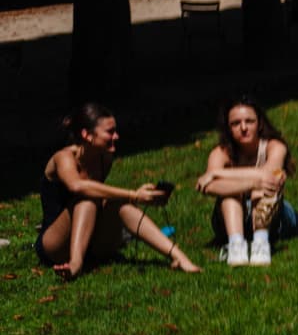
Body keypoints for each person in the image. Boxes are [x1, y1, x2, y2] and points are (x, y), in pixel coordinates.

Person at [38, 103, 200, 278]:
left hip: (91, 239)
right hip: (55, 244)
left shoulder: (104, 157)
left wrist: (146, 198)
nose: (116, 136)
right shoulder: (64, 157)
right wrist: (134, 195)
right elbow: (77, 186)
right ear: (87, 135)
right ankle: (76, 264)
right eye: (110, 132)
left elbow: (103, 196)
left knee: (119, 203)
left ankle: (179, 257)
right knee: (87, 199)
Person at [196, 99, 295, 267]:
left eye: (249, 121)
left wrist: (216, 173)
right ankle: (236, 246)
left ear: (260, 123)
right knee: (231, 193)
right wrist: (250, 183)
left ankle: (261, 244)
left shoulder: (274, 146)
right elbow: (208, 186)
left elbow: (269, 175)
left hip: (274, 218)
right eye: (236, 123)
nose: (243, 128)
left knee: (264, 187)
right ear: (228, 128)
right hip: (230, 221)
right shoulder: (220, 153)